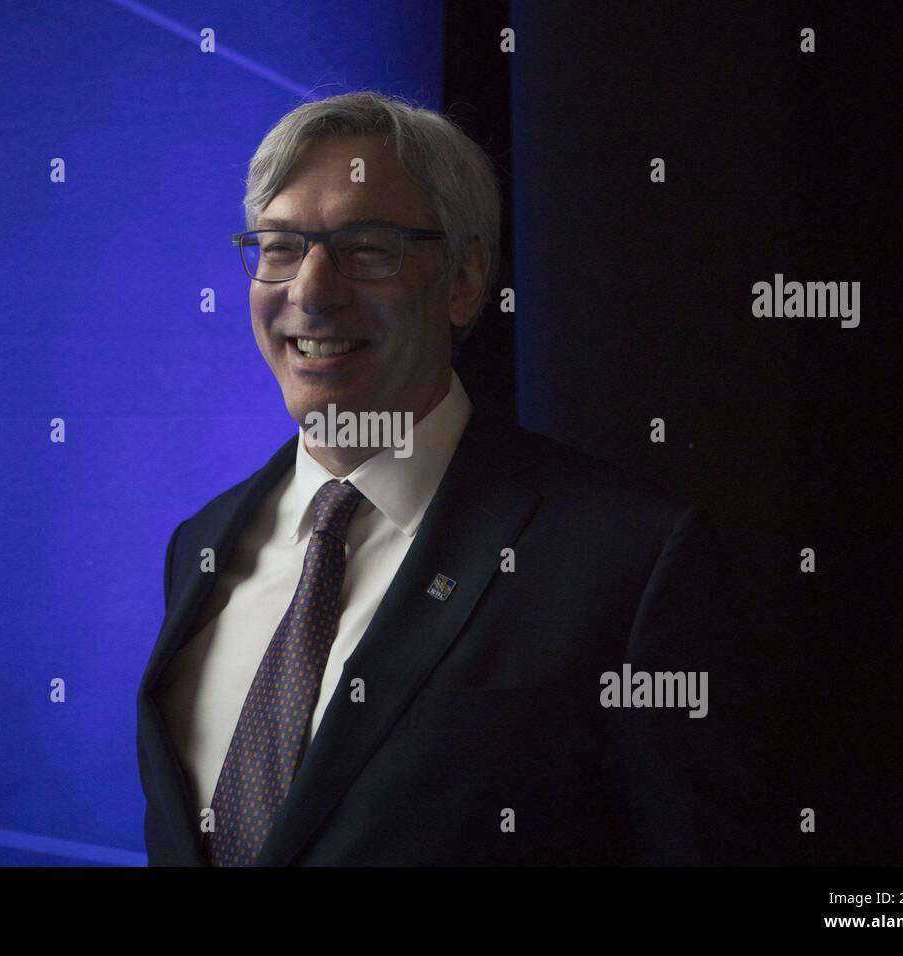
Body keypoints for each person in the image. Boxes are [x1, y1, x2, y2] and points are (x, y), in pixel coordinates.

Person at [137, 90, 762, 866]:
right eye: (280, 247)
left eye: (367, 248)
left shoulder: (627, 561)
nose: (311, 290)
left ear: (464, 281)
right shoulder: (198, 548)